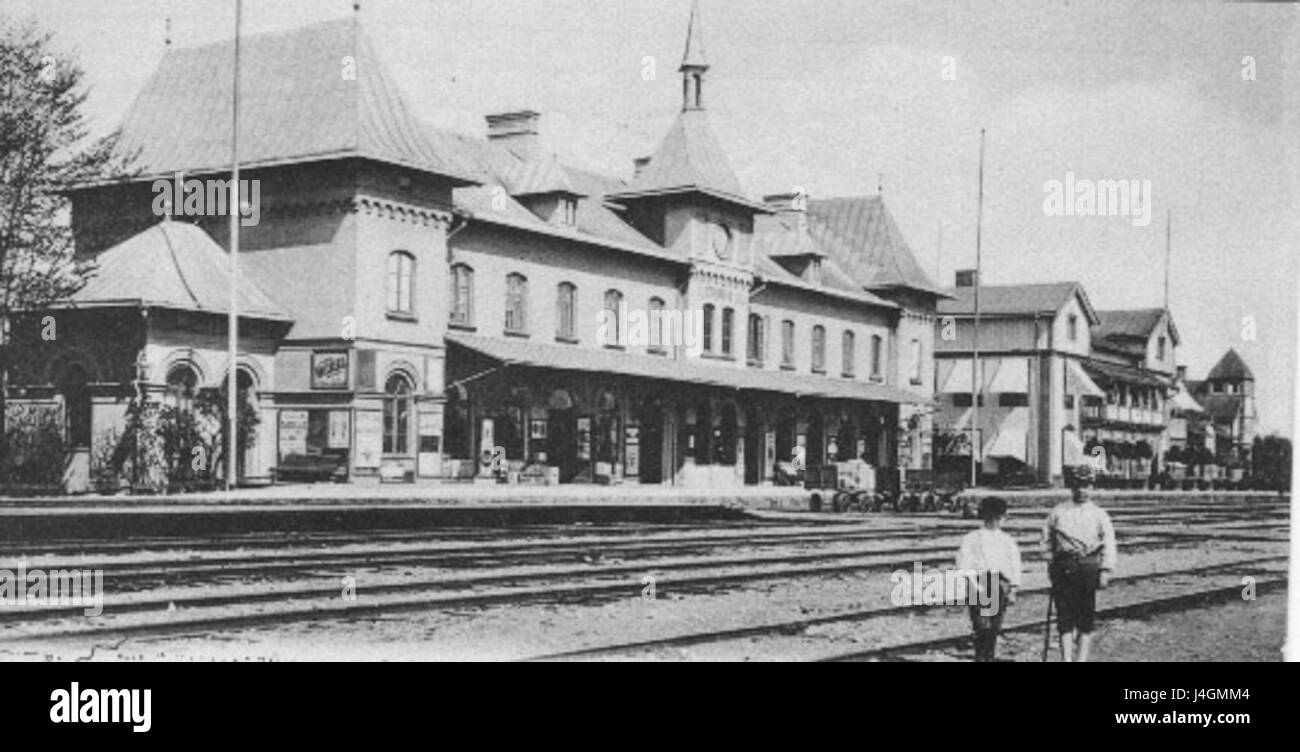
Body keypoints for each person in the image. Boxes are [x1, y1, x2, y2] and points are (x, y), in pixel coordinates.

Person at [1043, 464, 1118, 662]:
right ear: (1071, 487)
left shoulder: (1099, 514)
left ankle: (1081, 659)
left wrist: (1105, 570)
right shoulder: (1058, 512)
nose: (1082, 490)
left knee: (1086, 617)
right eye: (1078, 485)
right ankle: (1066, 659)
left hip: (1088, 567)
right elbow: (1046, 539)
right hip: (1064, 567)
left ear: (1092, 487)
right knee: (1065, 618)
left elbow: (1109, 543)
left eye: (1086, 485)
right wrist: (1050, 561)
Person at [956, 496, 1022, 662]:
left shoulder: (972, 538)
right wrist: (1013, 587)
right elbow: (1014, 566)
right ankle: (986, 656)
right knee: (990, 626)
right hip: (991, 583)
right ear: (1001, 517)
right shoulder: (1006, 540)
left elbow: (963, 564)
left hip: (984, 583)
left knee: (983, 626)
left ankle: (983, 656)